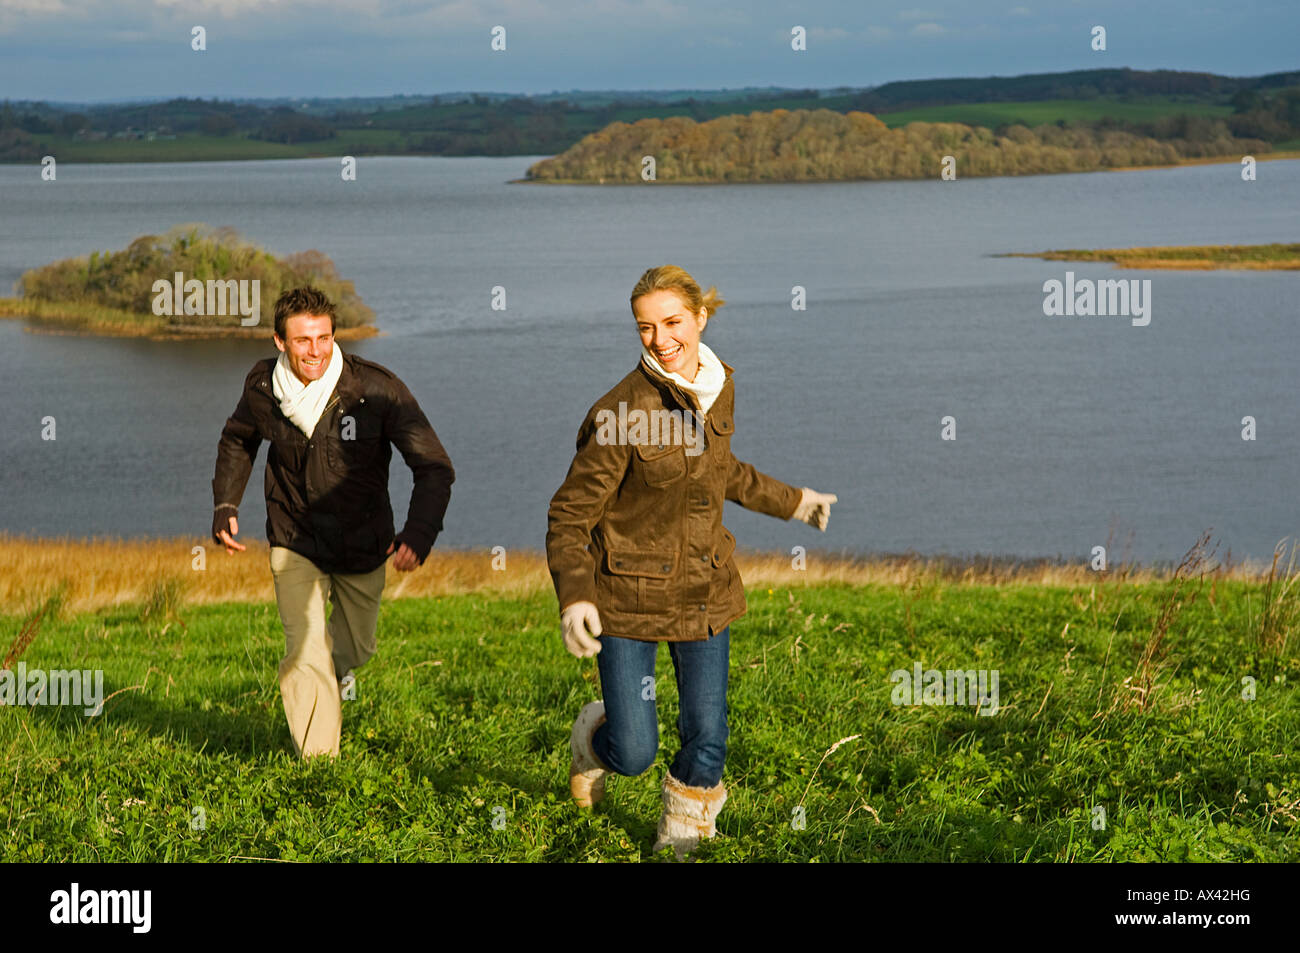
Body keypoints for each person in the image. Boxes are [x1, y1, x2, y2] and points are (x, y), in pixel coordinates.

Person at [546, 265, 837, 859]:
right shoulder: (619, 413)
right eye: (645, 328)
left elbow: (723, 471)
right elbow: (569, 516)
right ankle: (590, 737)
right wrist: (576, 596)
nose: (660, 339)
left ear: (701, 317)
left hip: (706, 591)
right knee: (634, 752)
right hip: (628, 599)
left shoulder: (717, 383)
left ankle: (683, 840)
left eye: (672, 322)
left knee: (707, 734)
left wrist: (795, 502)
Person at [210, 286, 454, 758]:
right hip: (293, 538)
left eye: (323, 338)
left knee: (355, 649)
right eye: (303, 340)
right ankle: (320, 767)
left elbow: (434, 467)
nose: (315, 351)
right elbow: (237, 440)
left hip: (364, 543)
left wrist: (419, 534)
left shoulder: (377, 390)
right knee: (304, 650)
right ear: (280, 341)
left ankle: (329, 678)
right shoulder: (262, 387)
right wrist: (226, 505)